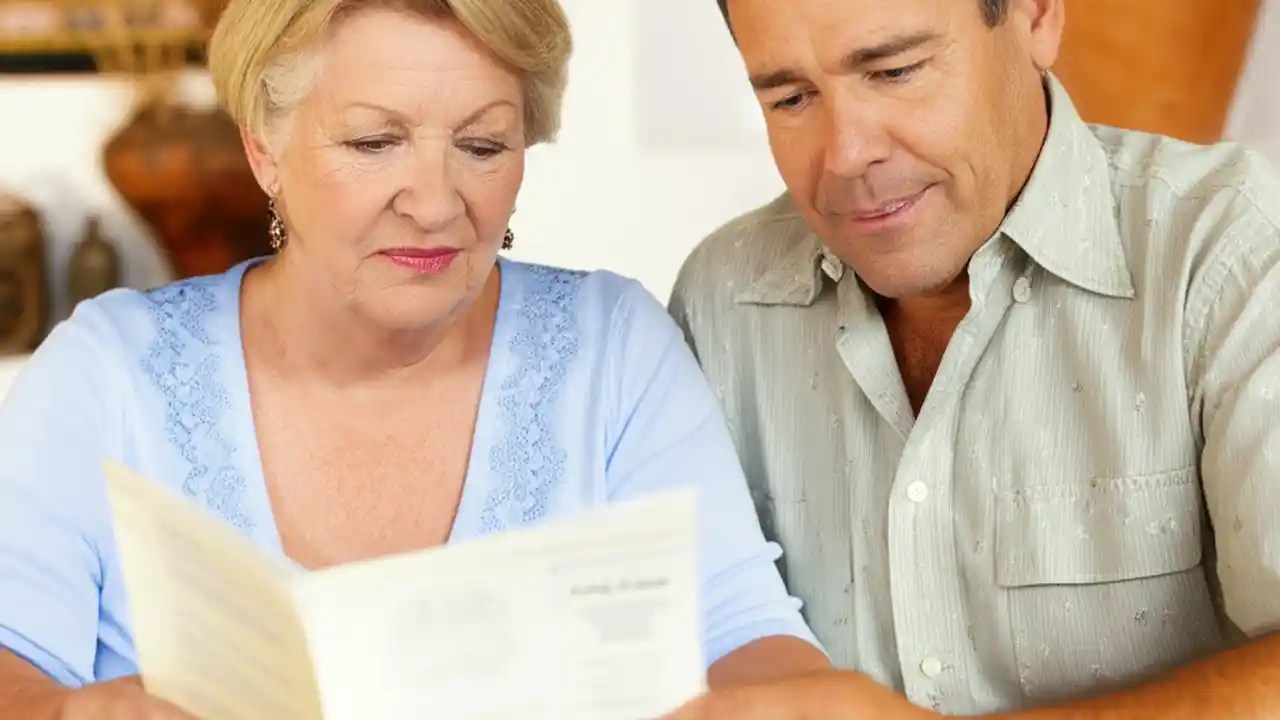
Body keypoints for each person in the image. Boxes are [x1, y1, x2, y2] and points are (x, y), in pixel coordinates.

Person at [0, 0, 830, 716]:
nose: (435, 204)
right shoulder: (106, 372)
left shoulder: (613, 349)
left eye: (482, 147)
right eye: (372, 143)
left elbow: (742, 635)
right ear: (264, 151)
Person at [667, 0, 1280, 717]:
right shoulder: (721, 300)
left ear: (1037, 18)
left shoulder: (1229, 254)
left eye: (894, 71)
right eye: (791, 97)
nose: (846, 153)